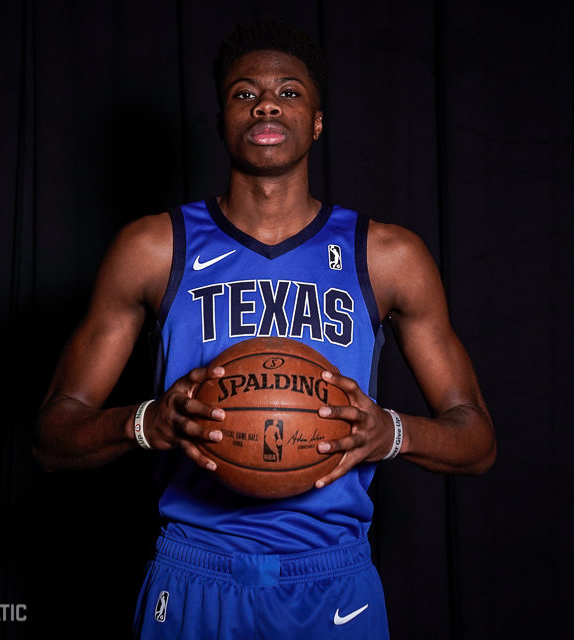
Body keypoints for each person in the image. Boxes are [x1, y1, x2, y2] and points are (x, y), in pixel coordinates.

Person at [34, 20, 495, 640]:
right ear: (221, 119)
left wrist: (390, 432)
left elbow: (477, 439)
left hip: (334, 579)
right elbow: (52, 436)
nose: (267, 105)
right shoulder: (153, 248)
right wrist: (147, 422)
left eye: (289, 92)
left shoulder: (386, 256)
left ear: (318, 122)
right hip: (194, 570)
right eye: (244, 93)